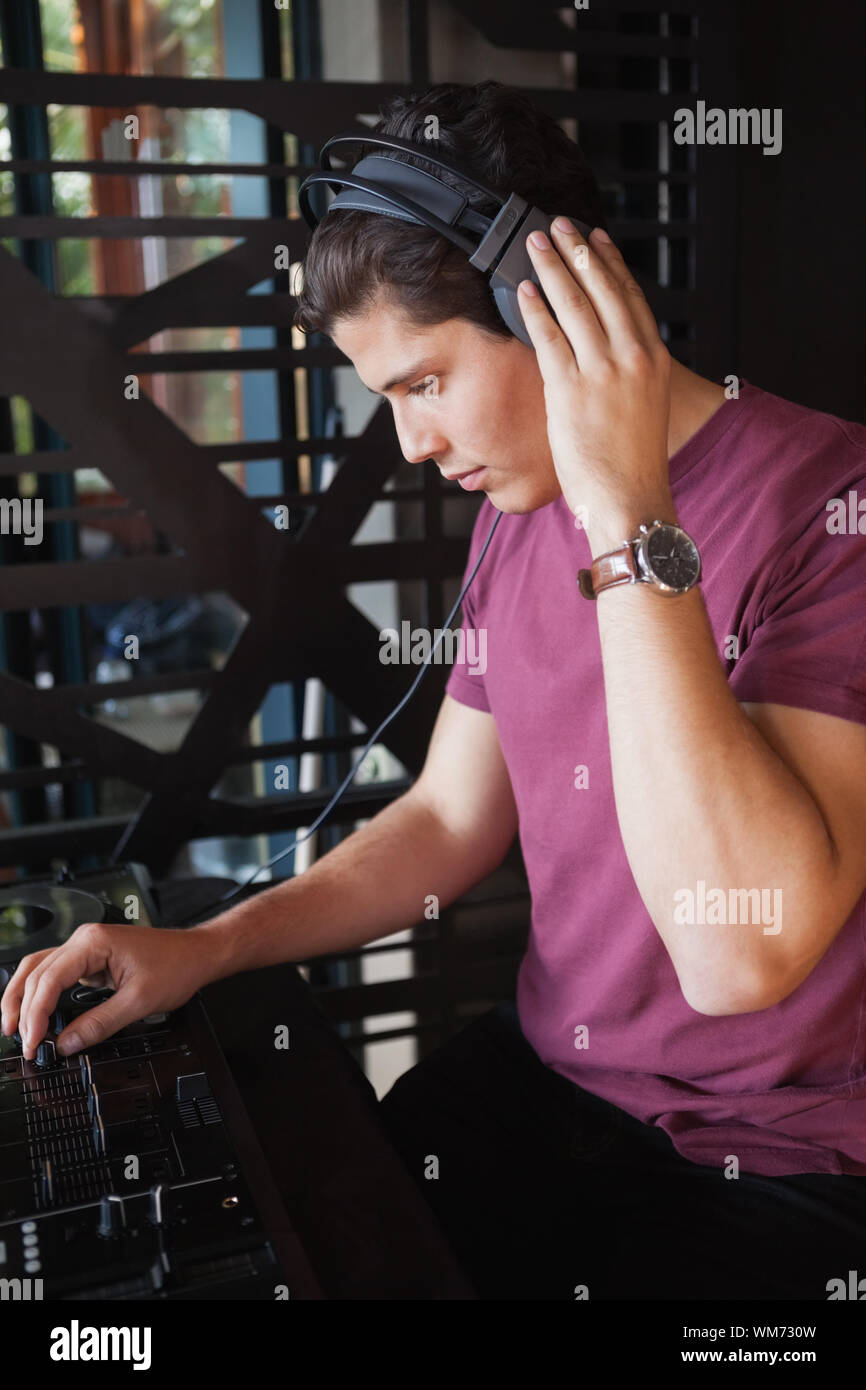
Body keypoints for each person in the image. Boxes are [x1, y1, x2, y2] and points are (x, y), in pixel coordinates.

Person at [3, 80, 865, 1301]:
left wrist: (621, 509)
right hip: (552, 1082)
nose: (410, 444)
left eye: (423, 384)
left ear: (554, 306)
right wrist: (209, 946)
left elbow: (736, 959)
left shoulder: (832, 508)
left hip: (781, 1164)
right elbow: (449, 819)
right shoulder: (514, 512)